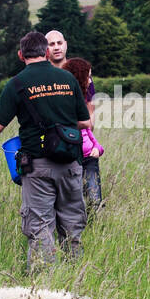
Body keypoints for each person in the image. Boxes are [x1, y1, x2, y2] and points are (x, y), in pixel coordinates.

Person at [0, 31, 92, 271]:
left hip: (37, 165)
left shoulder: (17, 84)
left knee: (40, 224)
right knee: (72, 222)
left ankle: (44, 283)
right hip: (71, 164)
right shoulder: (67, 79)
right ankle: (76, 276)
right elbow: (85, 123)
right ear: (47, 52)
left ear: (21, 55)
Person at [61, 57, 103, 210]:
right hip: (70, 157)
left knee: (94, 200)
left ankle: (92, 225)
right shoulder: (64, 101)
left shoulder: (84, 100)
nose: (91, 82)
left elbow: (88, 130)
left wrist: (97, 148)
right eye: (88, 77)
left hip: (89, 156)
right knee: (73, 202)